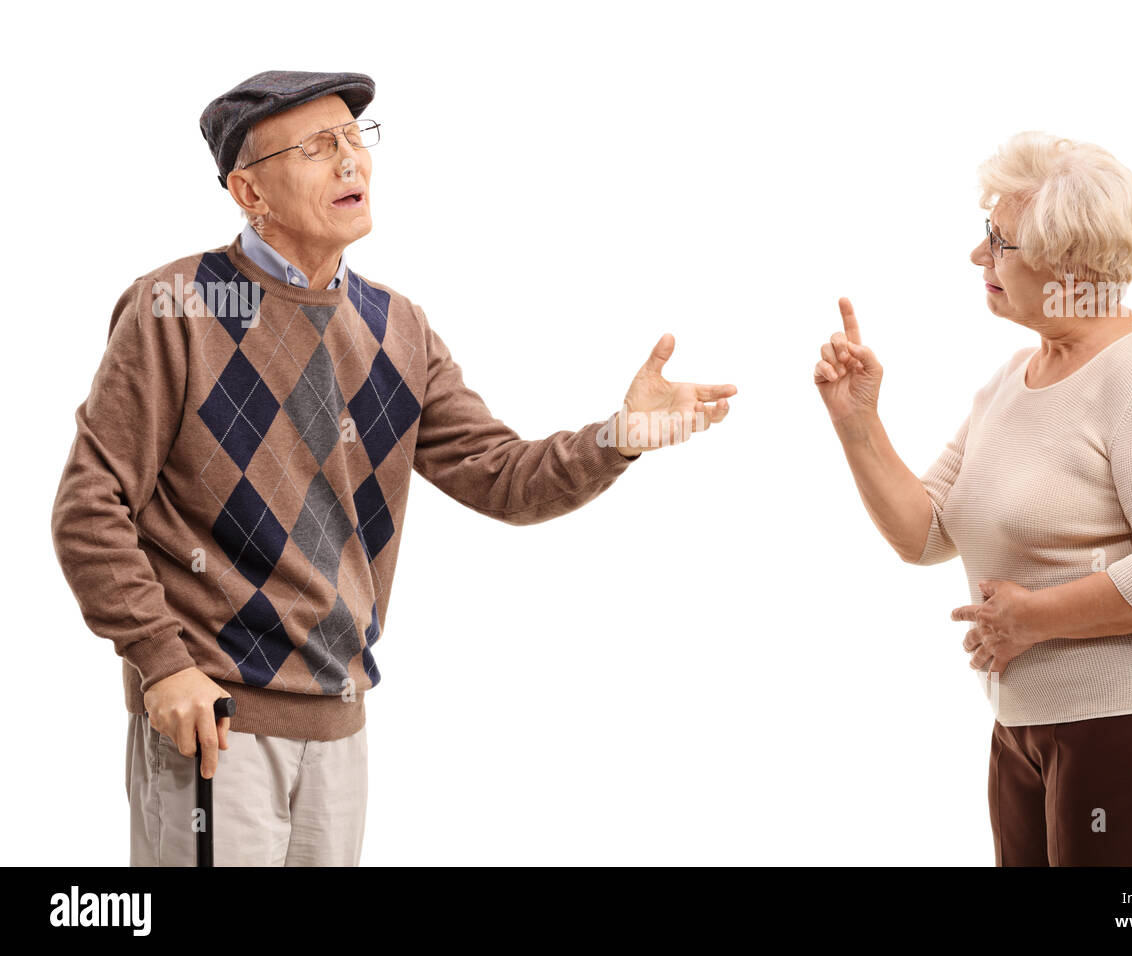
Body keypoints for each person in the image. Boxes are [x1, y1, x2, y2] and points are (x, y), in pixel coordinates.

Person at [50, 70, 737, 866]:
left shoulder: (396, 327)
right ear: (249, 190)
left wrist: (618, 436)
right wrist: (163, 665)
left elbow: (500, 474)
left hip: (341, 722)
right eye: (317, 146)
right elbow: (90, 506)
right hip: (214, 722)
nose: (350, 162)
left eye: (354, 138)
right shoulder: (173, 307)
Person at [814, 131, 1132, 866]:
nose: (979, 256)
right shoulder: (1012, 378)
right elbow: (926, 533)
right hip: (1026, 727)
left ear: (1067, 262)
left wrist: (1032, 618)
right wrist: (858, 423)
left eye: (998, 241)